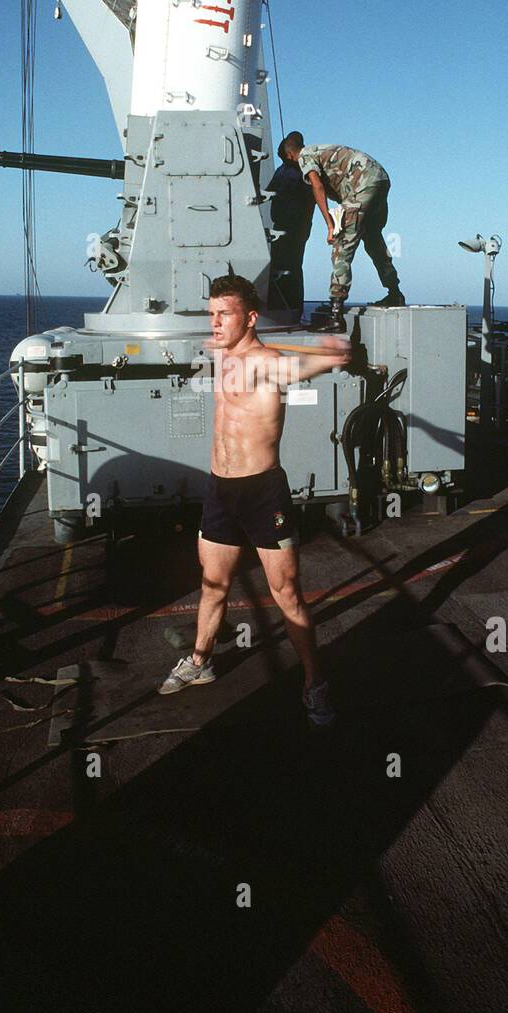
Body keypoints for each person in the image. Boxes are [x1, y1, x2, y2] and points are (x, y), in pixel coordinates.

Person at [157, 273, 351, 728]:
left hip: (262, 493)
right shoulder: (225, 352)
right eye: (211, 314)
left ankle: (314, 684)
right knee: (212, 584)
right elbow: (219, 342)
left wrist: (331, 352)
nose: (215, 323)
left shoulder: (268, 363)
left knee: (286, 594)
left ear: (250, 317)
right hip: (220, 490)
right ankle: (201, 660)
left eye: (224, 314)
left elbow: (305, 366)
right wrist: (219, 339)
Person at [282, 134, 404, 332]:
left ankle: (336, 314)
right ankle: (395, 292)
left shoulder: (304, 156)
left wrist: (330, 225)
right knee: (373, 240)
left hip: (362, 184)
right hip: (379, 178)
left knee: (342, 246)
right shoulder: (320, 149)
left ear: (289, 155)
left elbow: (318, 187)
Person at [266, 131, 314, 316]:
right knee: (291, 267)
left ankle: (288, 308)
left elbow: (270, 191)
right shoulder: (301, 170)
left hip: (291, 227)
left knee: (288, 268)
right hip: (295, 227)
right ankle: (291, 307)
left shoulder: (291, 171)